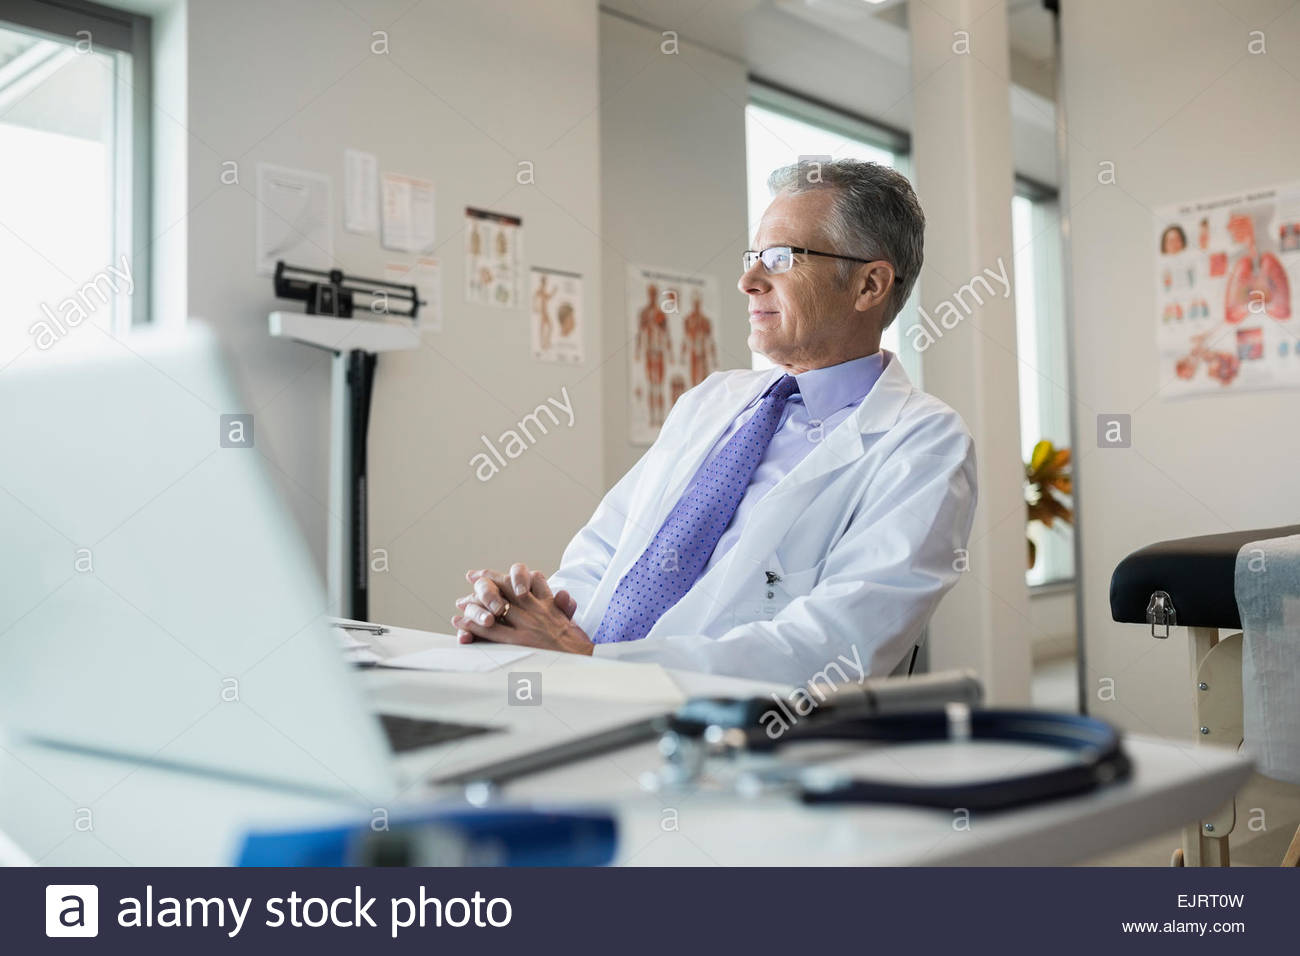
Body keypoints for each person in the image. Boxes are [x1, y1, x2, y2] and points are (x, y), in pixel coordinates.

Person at [452, 160, 977, 684]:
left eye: (779, 259)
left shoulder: (924, 443)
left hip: (737, 735)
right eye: (752, 258)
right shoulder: (711, 400)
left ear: (869, 285)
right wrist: (536, 617)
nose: (748, 280)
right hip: (583, 693)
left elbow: (838, 644)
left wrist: (599, 665)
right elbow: (607, 549)